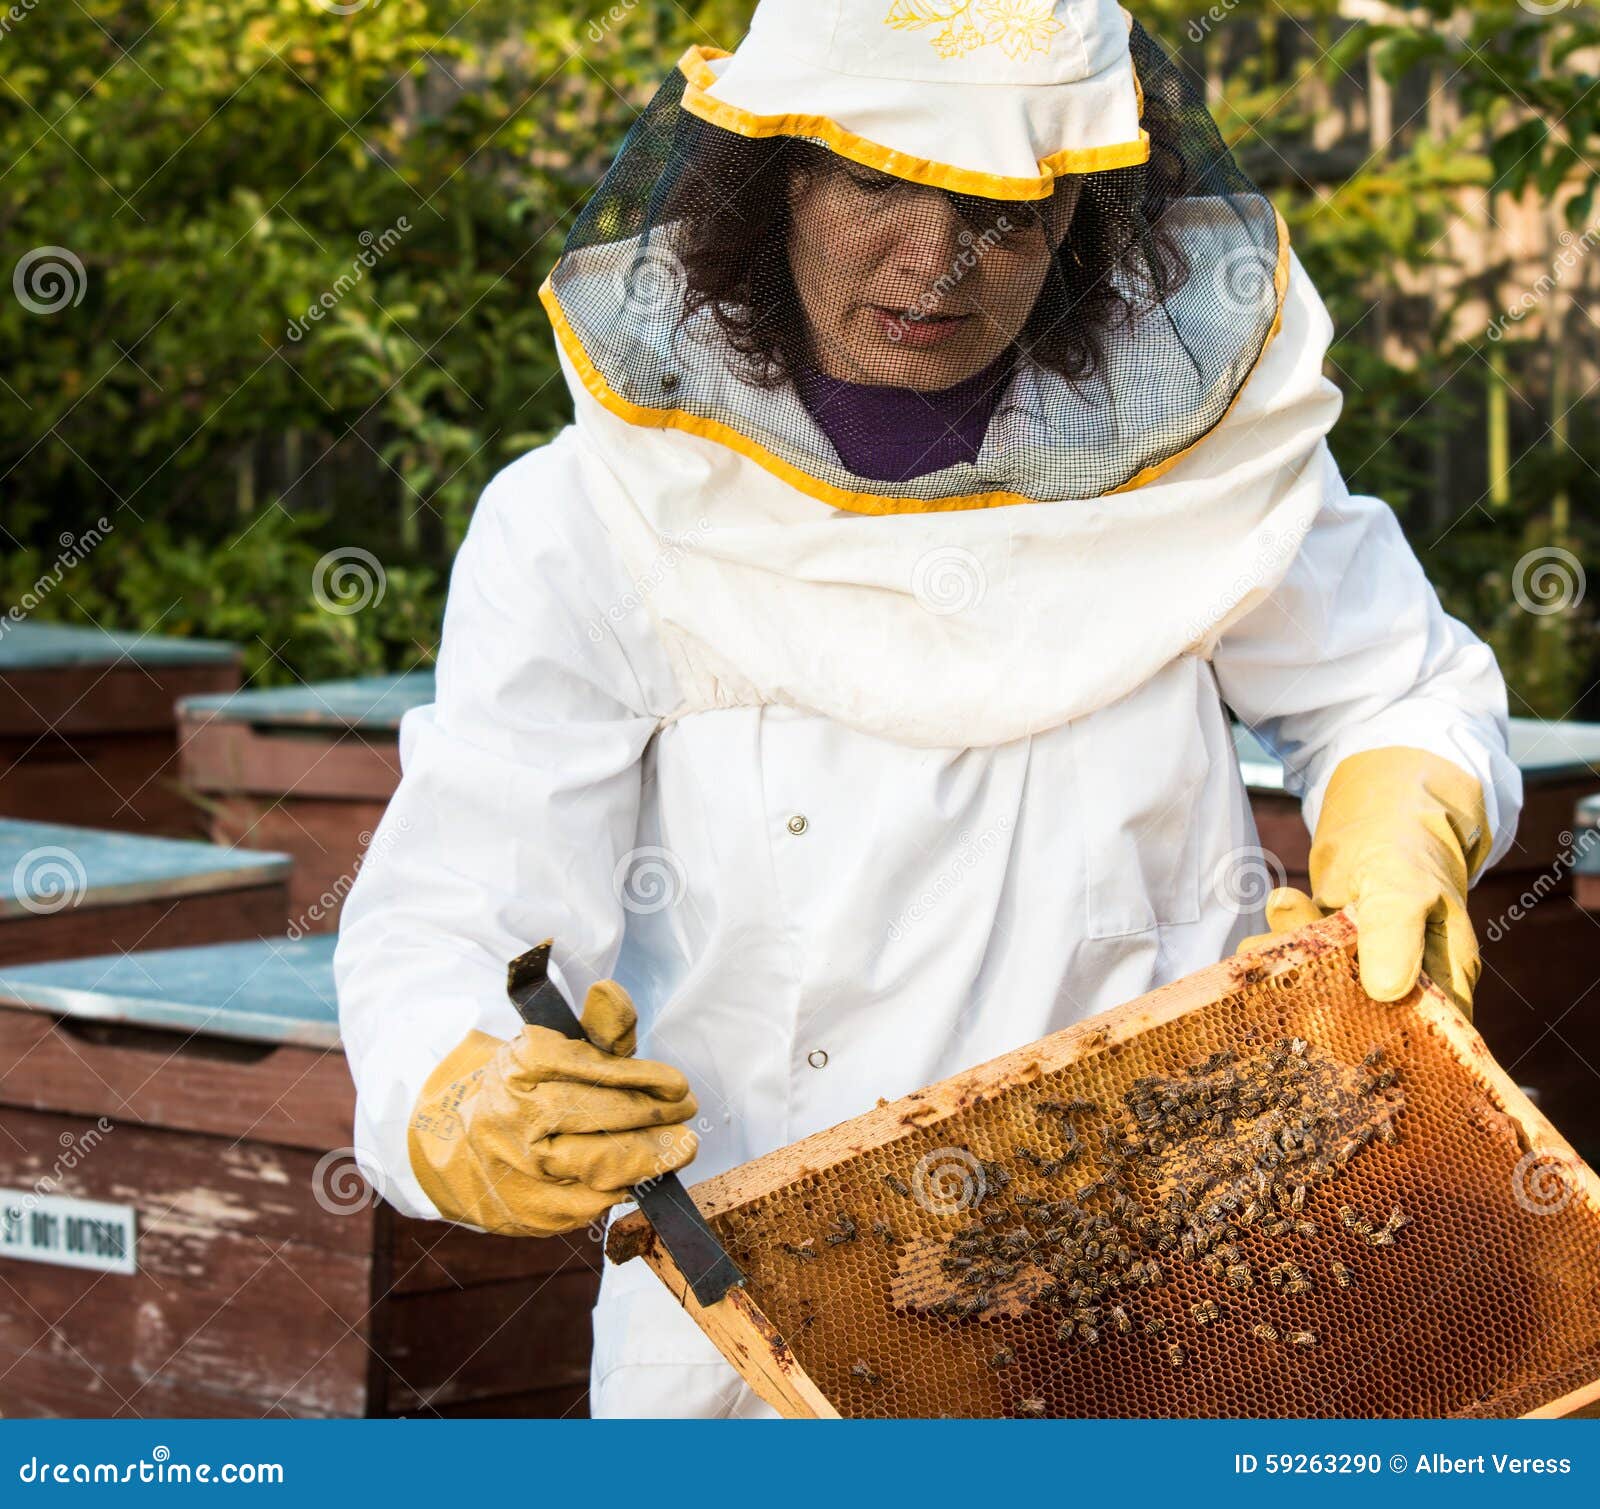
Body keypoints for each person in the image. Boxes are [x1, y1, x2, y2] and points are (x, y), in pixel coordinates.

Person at [335, 0, 1521, 1418]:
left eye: (1004, 213)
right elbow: (456, 913)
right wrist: (458, 1094)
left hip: (1181, 1298)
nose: (936, 262)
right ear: (776, 175)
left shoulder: (1194, 469)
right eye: (881, 185)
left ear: (1080, 213)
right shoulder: (584, 521)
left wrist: (1400, 818)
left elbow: (1393, 685)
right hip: (755, 1347)